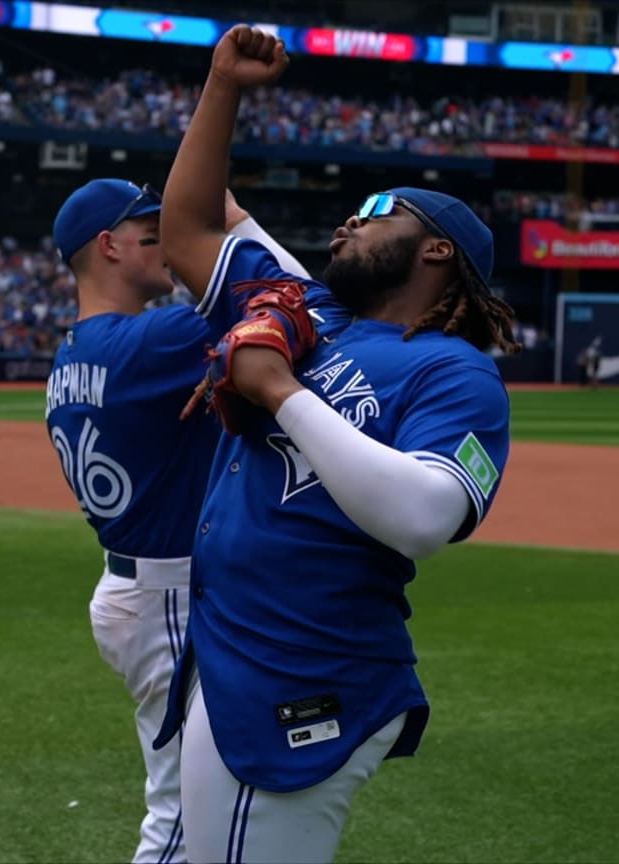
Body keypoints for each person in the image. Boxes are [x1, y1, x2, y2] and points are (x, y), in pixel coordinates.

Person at [150, 26, 522, 863]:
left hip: (304, 665)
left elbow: (428, 514)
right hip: (239, 647)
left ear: (438, 249)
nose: (352, 218)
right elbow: (189, 227)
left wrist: (279, 394)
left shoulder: (454, 373)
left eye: (380, 210)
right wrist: (223, 87)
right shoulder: (314, 311)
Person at [44, 177, 308, 864]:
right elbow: (300, 299)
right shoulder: (151, 342)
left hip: (141, 587)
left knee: (196, 803)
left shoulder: (77, 353)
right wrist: (237, 221)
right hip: (168, 596)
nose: (171, 244)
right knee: (183, 818)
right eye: (153, 233)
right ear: (110, 246)